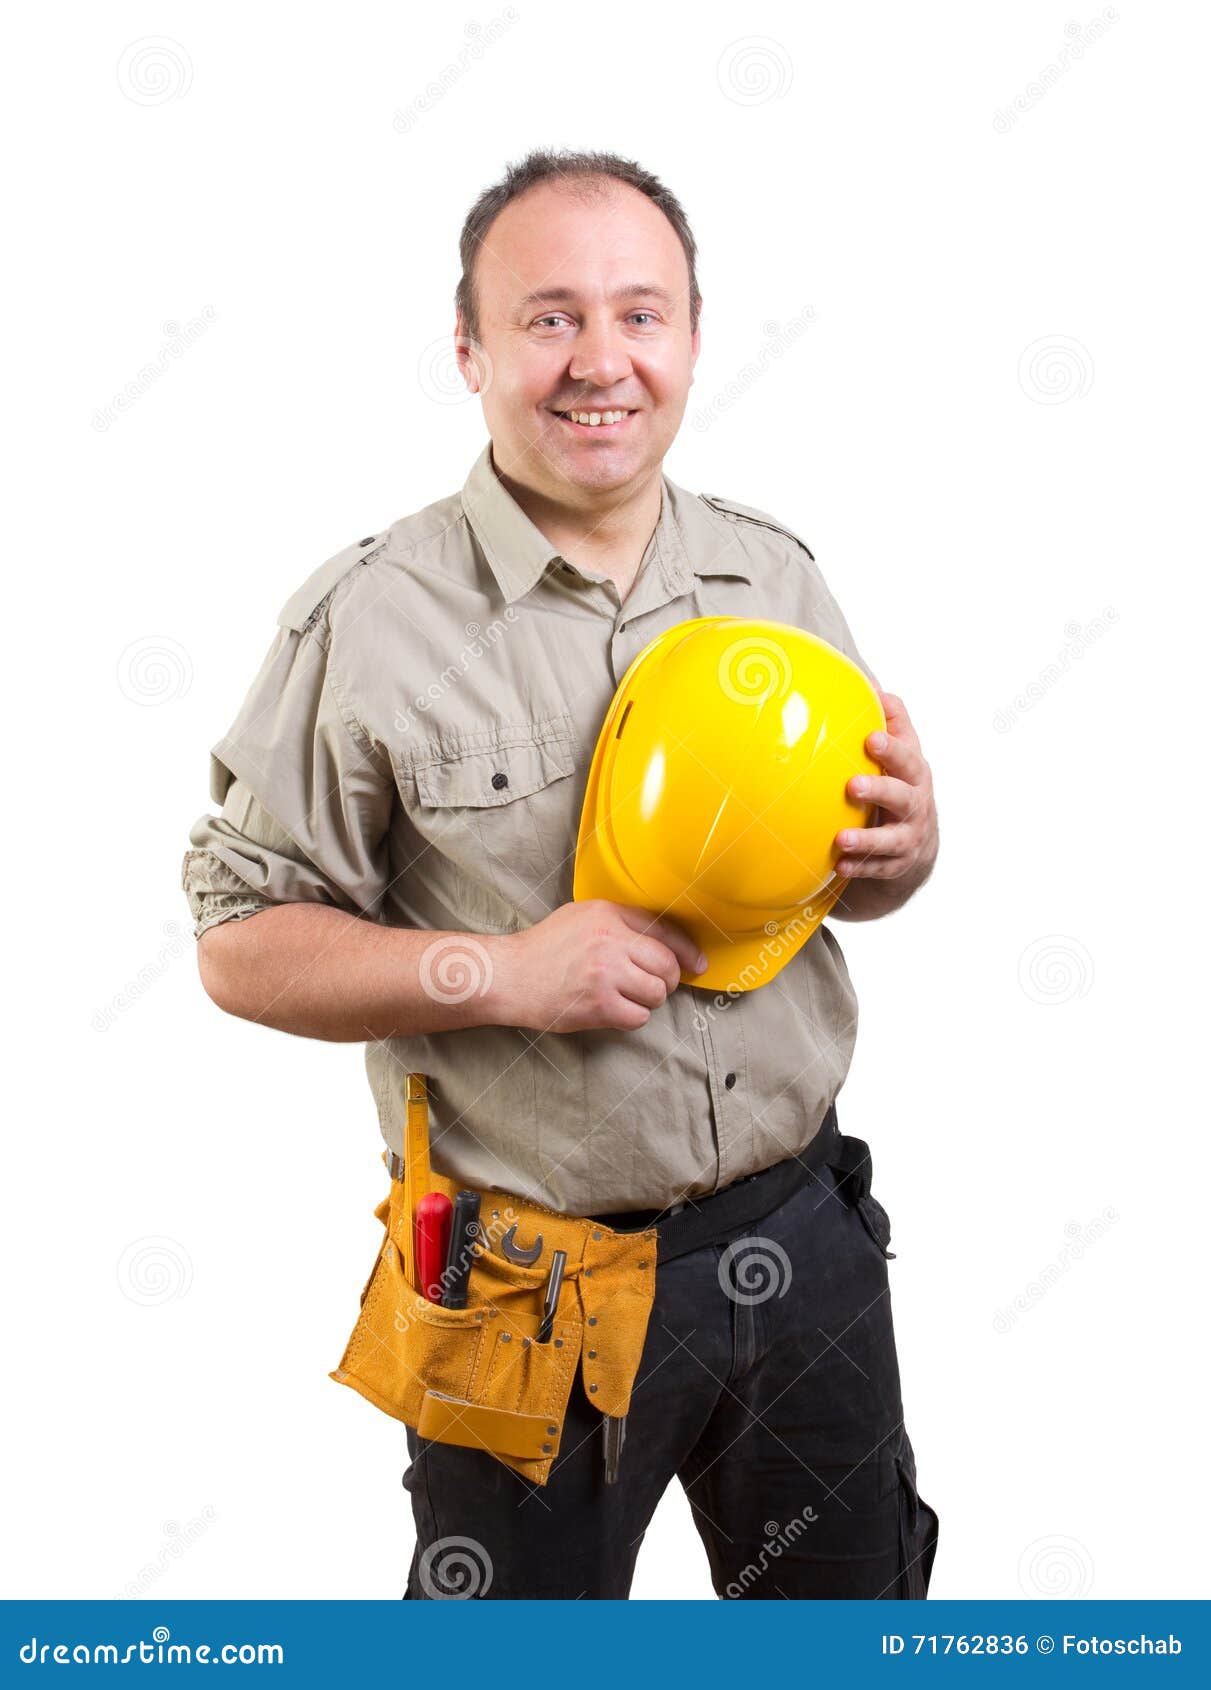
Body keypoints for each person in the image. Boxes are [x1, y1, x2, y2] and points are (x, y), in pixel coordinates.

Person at [181, 147, 940, 1600]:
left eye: (641, 314)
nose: (602, 360)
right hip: (530, 1283)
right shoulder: (369, 620)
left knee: (854, 1625)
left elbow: (841, 883)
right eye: (548, 318)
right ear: (468, 350)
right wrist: (504, 972)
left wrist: (907, 850)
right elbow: (235, 938)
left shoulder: (773, 579)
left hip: (804, 1232)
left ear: (696, 338)